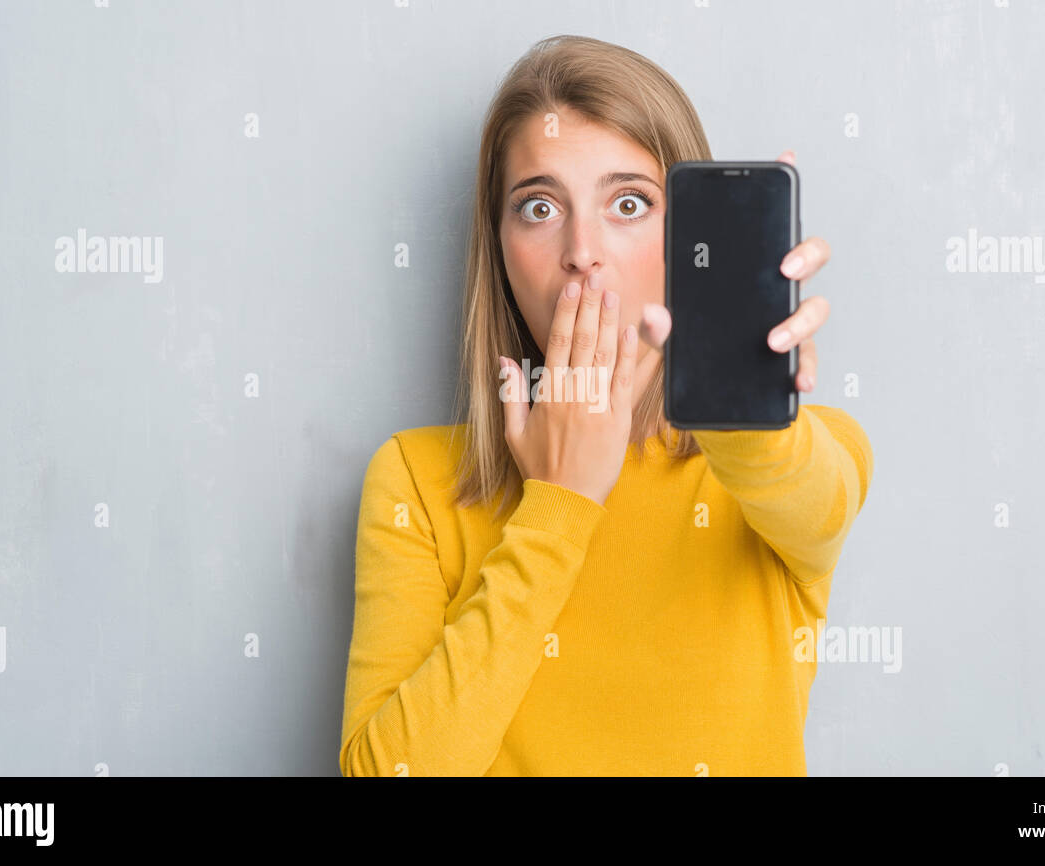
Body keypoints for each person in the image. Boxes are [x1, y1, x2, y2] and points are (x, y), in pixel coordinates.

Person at [339, 34, 873, 776]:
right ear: (498, 250)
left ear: (689, 236)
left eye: (628, 202)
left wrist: (747, 395)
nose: (582, 250)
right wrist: (558, 505)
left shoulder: (794, 454)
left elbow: (809, 498)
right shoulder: (416, 482)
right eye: (537, 206)